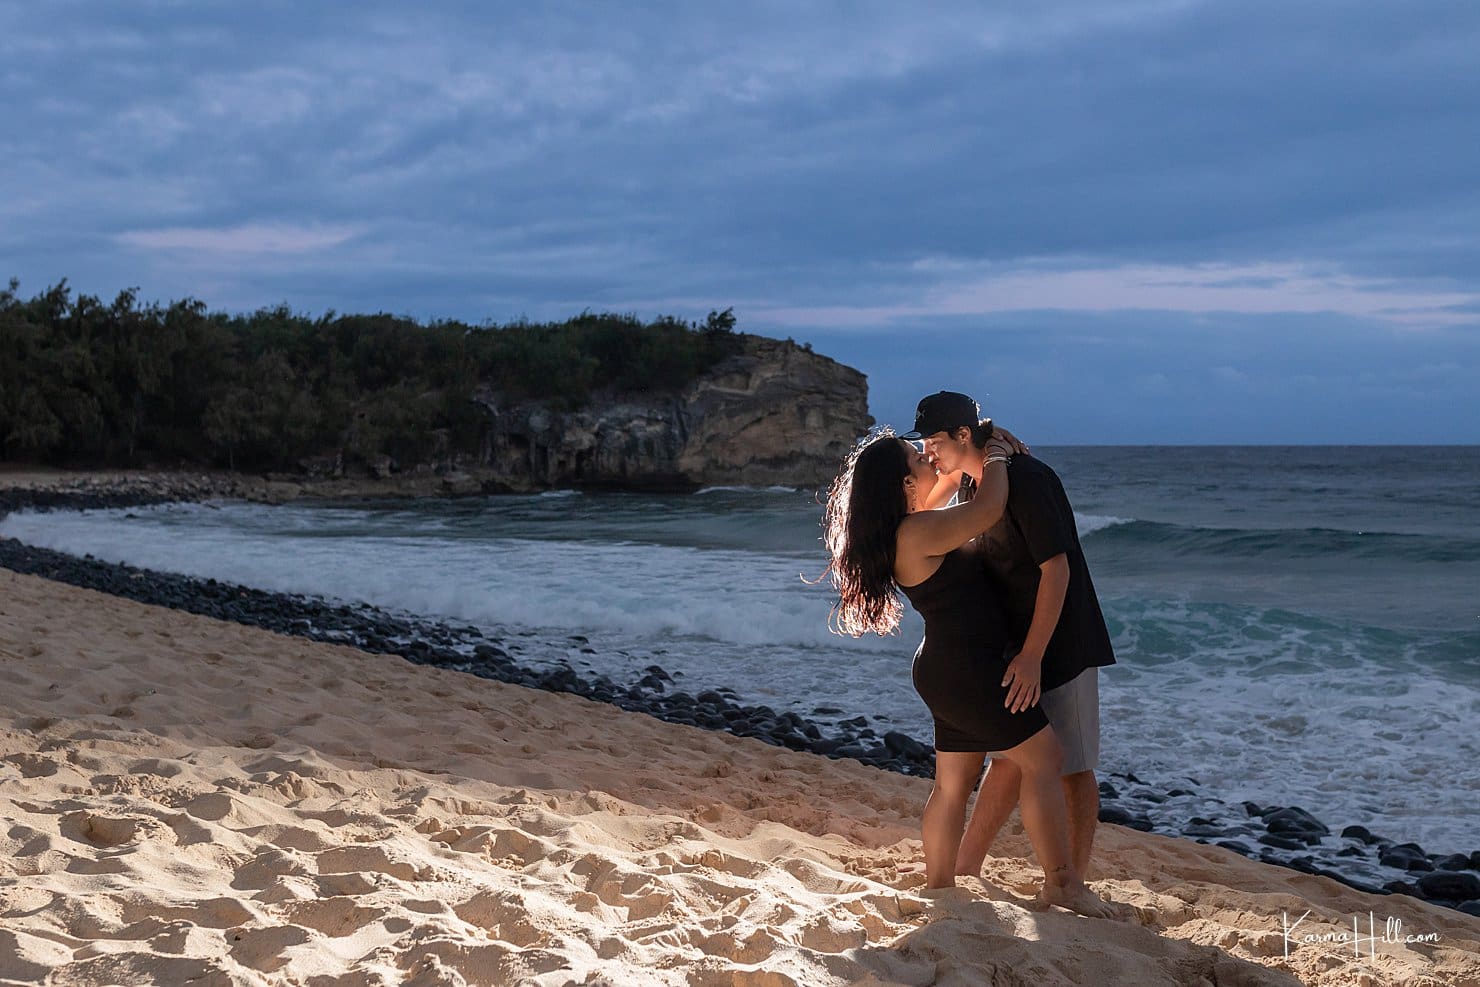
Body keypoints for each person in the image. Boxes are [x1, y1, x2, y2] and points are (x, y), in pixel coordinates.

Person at [820, 428, 1115, 917]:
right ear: (902, 485)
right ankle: (1062, 883)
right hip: (967, 669)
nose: (924, 459)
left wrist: (967, 445)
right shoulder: (917, 532)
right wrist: (996, 456)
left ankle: (941, 887)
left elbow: (950, 481)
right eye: (915, 458)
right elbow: (987, 510)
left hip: (944, 668)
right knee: (1044, 759)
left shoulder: (906, 526)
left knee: (952, 786)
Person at [905, 391, 1116, 882]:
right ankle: (966, 865)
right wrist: (971, 457)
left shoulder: (1026, 479)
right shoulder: (975, 485)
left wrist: (1033, 655)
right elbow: (917, 509)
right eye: (923, 445)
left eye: (935, 442)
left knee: (1075, 771)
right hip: (1012, 645)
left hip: (1059, 643)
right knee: (1009, 759)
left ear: (963, 434)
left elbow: (1057, 571)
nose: (929, 453)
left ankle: (1072, 883)